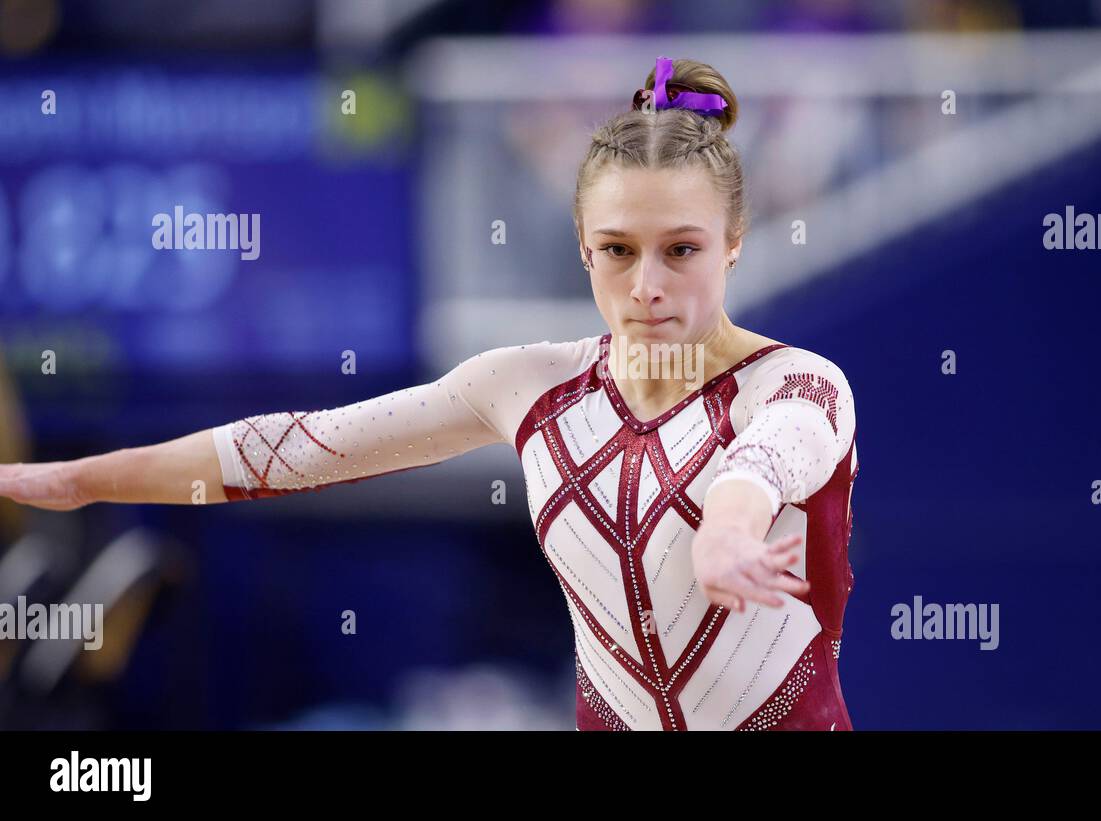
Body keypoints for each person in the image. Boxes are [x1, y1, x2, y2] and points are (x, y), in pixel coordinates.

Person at [0, 56, 859, 730]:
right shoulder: (528, 385)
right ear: (582, 245)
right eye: (618, 250)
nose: (647, 286)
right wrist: (83, 478)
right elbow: (296, 448)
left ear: (734, 241)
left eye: (682, 249)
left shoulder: (798, 383)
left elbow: (761, 463)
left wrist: (727, 534)